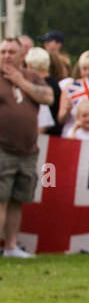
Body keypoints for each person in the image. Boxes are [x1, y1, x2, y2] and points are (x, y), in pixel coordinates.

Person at [0, 36, 54, 258]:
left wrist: (20, 81)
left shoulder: (32, 76)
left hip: (28, 150)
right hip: (2, 147)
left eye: (11, 52)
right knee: (0, 198)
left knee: (17, 200)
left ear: (22, 55)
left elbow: (49, 97)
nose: (6, 56)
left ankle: (11, 246)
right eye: (3, 52)